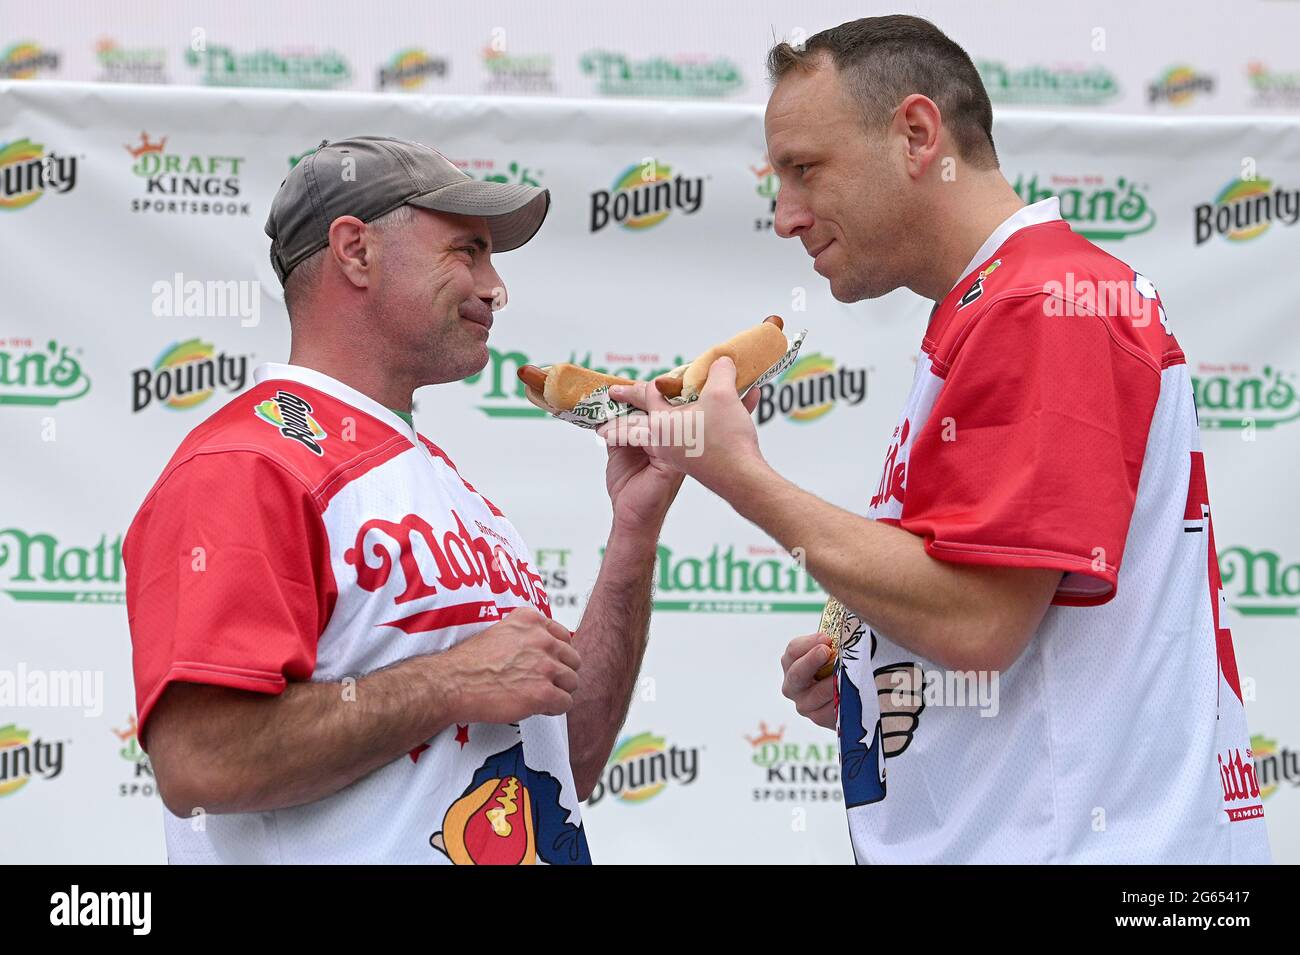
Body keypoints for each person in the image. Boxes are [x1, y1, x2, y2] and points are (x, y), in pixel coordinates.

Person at [607, 16, 1271, 863]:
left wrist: (736, 471)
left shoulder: (1042, 301)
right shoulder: (1007, 299)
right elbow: (999, 612)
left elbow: (980, 621)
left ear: (917, 135)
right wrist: (871, 658)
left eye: (804, 169)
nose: (785, 216)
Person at [123, 136, 682, 864]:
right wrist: (454, 680)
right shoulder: (248, 462)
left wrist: (633, 535)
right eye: (466, 251)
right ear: (355, 250)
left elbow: (562, 766)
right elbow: (201, 761)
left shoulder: (456, 493)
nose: (496, 286)